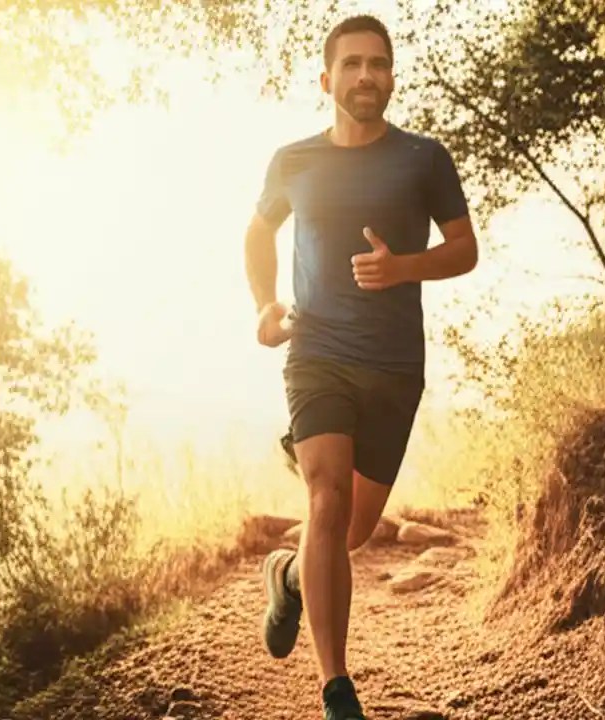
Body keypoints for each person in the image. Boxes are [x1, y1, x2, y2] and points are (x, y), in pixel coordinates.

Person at [242, 14, 479, 720]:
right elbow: (258, 231)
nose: (366, 75)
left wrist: (403, 266)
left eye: (378, 64)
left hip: (395, 365)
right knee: (325, 498)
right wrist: (264, 305)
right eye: (351, 64)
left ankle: (286, 573)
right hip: (316, 355)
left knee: (353, 529)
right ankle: (335, 687)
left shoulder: (424, 159)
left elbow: (464, 249)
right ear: (328, 79)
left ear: (392, 77)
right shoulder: (293, 161)